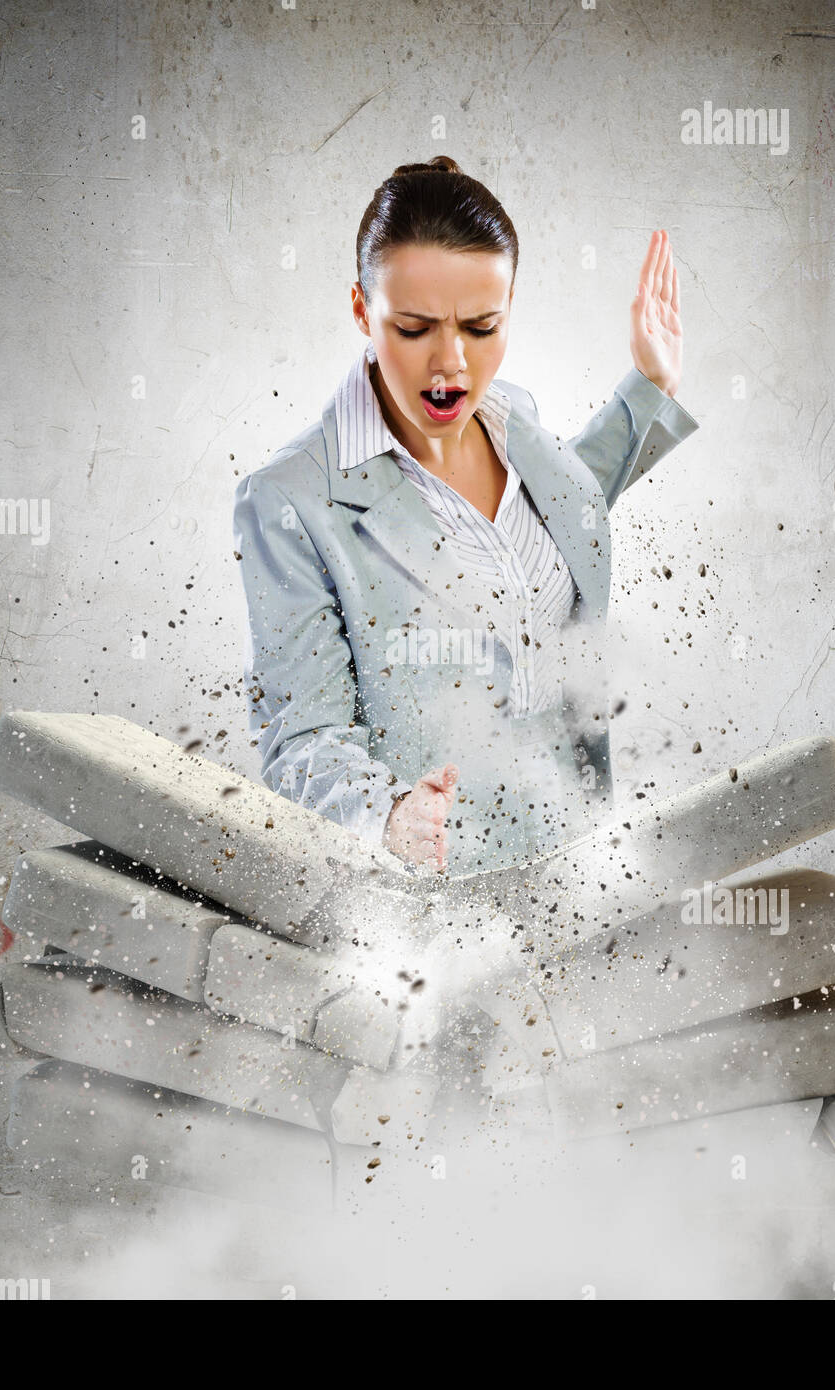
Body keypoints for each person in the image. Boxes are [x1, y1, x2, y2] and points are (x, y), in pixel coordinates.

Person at [233, 155, 698, 877]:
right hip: (438, 906)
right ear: (362, 308)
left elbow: (550, 524)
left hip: (581, 854)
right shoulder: (292, 499)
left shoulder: (515, 417)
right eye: (414, 328)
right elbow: (302, 739)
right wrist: (388, 814)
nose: (450, 362)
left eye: (481, 326)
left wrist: (650, 388)